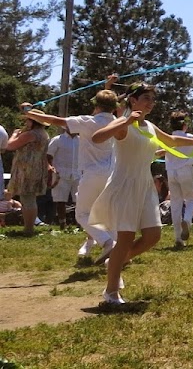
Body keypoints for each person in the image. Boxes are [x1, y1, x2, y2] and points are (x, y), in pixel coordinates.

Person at [90, 82, 193, 306]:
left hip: (145, 186)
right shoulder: (123, 123)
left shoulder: (149, 126)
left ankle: (116, 263)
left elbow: (172, 140)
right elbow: (97, 137)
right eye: (146, 98)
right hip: (125, 185)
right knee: (125, 239)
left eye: (152, 99)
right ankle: (110, 293)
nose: (151, 103)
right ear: (133, 100)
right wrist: (126, 121)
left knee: (153, 236)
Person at [21, 74, 119, 261]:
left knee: (82, 214)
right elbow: (109, 105)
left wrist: (30, 113)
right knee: (108, 213)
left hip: (91, 173)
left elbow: (55, 120)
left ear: (96, 105)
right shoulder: (116, 122)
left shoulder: (87, 121)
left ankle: (107, 243)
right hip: (111, 174)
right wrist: (108, 87)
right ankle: (115, 253)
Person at [156, 111, 193, 248]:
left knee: (175, 204)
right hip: (186, 170)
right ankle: (187, 221)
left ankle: (178, 238)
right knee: (191, 199)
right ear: (185, 125)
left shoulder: (168, 138)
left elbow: (162, 150)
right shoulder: (189, 137)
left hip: (171, 173)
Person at [5, 117, 52, 236]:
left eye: (28, 120)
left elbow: (10, 146)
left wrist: (14, 134)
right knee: (30, 198)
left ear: (33, 122)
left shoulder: (31, 134)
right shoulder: (43, 134)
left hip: (27, 169)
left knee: (27, 199)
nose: (26, 123)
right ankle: (29, 226)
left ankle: (29, 228)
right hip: (37, 168)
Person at [46, 129, 79, 229]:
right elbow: (48, 155)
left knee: (79, 200)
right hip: (61, 173)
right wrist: (50, 168)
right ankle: (62, 223)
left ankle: (80, 223)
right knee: (61, 200)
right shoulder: (57, 140)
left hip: (77, 173)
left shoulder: (81, 141)